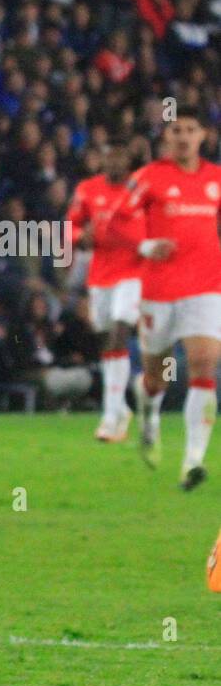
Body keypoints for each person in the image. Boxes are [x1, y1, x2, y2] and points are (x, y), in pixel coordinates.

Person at [123, 107, 221, 489]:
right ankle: (148, 416)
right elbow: (114, 220)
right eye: (176, 129)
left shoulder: (216, 178)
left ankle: (192, 462)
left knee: (202, 364)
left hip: (206, 286)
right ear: (166, 138)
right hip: (159, 290)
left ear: (203, 136)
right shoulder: (148, 178)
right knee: (158, 376)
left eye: (191, 130)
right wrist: (144, 243)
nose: (183, 136)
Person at [66, 141, 144, 441]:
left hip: (134, 274)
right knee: (106, 342)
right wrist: (79, 235)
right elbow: (69, 226)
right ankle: (120, 408)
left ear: (128, 159)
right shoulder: (88, 189)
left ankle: (110, 415)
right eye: (108, 156)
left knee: (119, 335)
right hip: (101, 275)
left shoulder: (140, 190)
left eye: (119, 156)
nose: (113, 162)